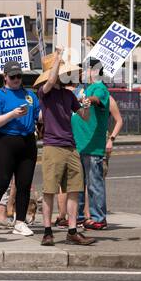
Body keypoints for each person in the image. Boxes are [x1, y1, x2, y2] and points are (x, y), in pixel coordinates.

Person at [36, 53, 96, 247]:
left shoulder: (68, 94)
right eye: (63, 71)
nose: (65, 75)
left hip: (70, 146)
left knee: (74, 189)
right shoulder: (44, 92)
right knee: (49, 190)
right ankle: (47, 231)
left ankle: (72, 231)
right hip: (52, 145)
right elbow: (51, 79)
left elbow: (84, 117)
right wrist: (57, 60)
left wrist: (86, 107)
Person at [0, 60, 39, 238]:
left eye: (19, 76)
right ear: (5, 77)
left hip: (27, 142)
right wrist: (12, 114)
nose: (16, 79)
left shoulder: (29, 95)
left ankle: (20, 222)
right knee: (1, 183)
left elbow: (39, 115)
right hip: (4, 141)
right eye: (13, 77)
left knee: (24, 184)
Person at [73, 57, 121, 231]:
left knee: (94, 184)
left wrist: (89, 100)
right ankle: (77, 216)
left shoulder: (99, 88)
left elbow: (97, 99)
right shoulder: (84, 88)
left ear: (93, 71)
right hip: (79, 144)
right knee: (78, 184)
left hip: (92, 146)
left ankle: (99, 218)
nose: (80, 72)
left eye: (83, 69)